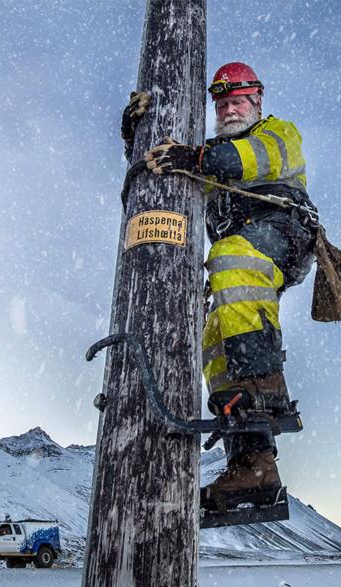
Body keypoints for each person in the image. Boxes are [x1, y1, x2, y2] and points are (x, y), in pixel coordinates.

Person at [134, 62, 319, 513]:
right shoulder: (211, 154)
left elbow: (247, 160)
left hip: (282, 230)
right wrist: (138, 132)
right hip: (246, 247)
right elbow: (158, 169)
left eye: (238, 99)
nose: (229, 108)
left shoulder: (279, 133)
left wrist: (196, 158)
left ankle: (262, 389)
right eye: (222, 102)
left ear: (257, 100)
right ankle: (252, 464)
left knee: (229, 258)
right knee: (215, 332)